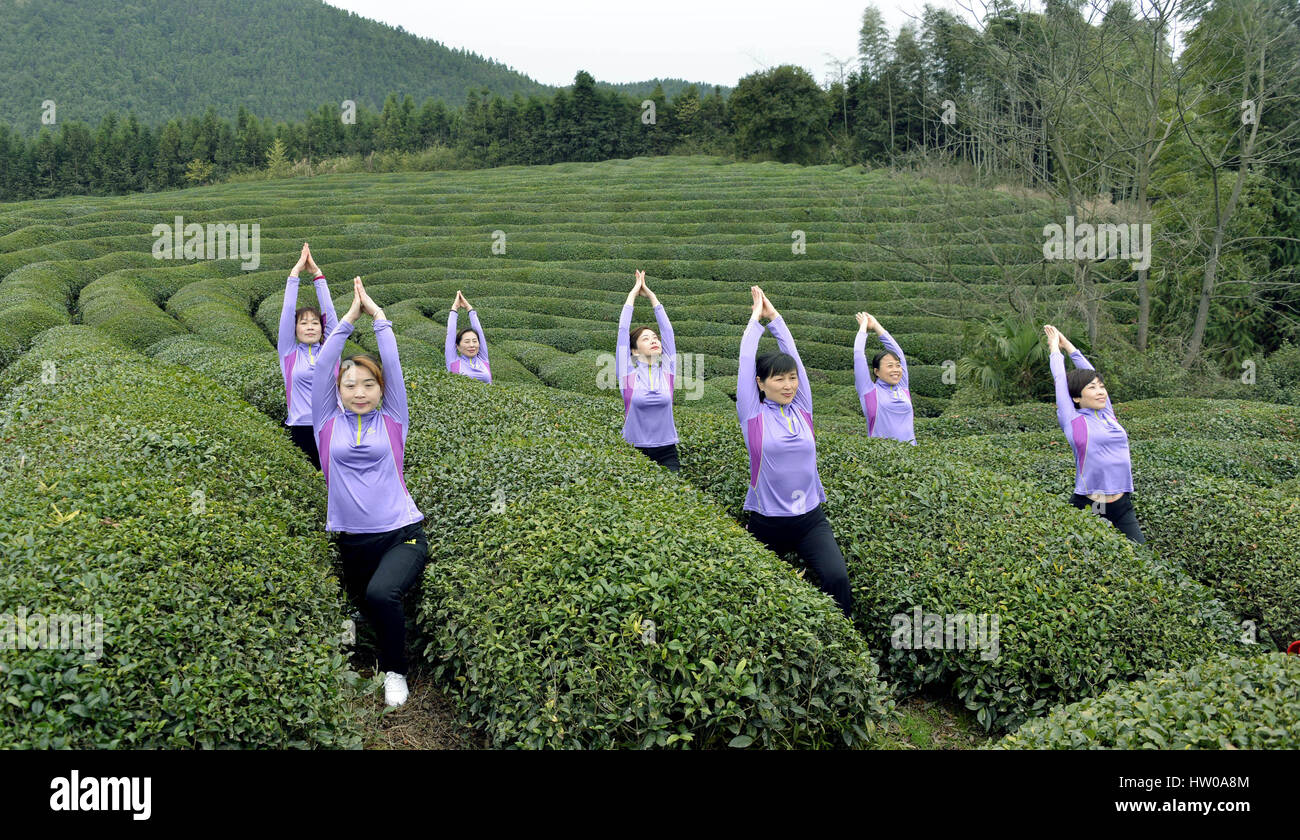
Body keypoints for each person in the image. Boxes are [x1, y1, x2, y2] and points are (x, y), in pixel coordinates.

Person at [313, 276, 428, 706]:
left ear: (381, 390)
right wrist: (345, 320)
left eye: (369, 385)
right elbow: (324, 366)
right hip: (352, 541)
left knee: (383, 594)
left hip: (402, 532)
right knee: (366, 607)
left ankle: (397, 672)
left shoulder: (393, 420)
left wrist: (379, 319)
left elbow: (393, 367)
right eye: (350, 386)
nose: (359, 393)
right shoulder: (326, 424)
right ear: (338, 393)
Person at [737, 286, 852, 618]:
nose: (788, 385)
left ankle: (846, 644)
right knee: (754, 592)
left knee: (837, 578)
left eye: (791, 379)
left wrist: (777, 319)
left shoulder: (802, 409)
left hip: (810, 520)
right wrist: (757, 322)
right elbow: (746, 361)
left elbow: (795, 356)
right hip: (767, 521)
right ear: (761, 383)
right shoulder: (753, 415)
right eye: (779, 379)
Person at [1044, 324, 1145, 544]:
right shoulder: (1073, 420)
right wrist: (1054, 349)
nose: (1100, 392)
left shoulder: (1107, 413)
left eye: (1101, 387)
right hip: (1091, 503)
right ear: (1076, 398)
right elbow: (1061, 381)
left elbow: (1089, 371)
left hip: (1121, 503)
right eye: (1092, 388)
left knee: (1142, 554)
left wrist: (1068, 345)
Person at [278, 242, 338, 470]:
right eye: (304, 323)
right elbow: (286, 314)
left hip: (332, 426)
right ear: (295, 329)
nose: (310, 327)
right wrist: (294, 275)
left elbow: (330, 315)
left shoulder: (330, 352)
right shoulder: (289, 354)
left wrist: (317, 275)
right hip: (301, 428)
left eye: (315, 323)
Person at [616, 269, 680, 472]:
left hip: (667, 450)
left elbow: (668, 332)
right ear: (633, 350)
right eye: (645, 338)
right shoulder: (628, 375)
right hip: (633, 450)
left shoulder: (667, 371)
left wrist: (652, 297)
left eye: (654, 337)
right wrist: (632, 294)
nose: (653, 340)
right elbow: (622, 332)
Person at [853, 311, 916, 445]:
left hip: (912, 457)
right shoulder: (869, 392)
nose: (896, 370)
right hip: (883, 458)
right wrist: (863, 328)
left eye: (897, 366)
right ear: (877, 371)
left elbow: (899, 353)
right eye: (889, 366)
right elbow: (858, 356)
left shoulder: (902, 387)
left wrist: (876, 326)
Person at [445, 290, 492, 383]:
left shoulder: (483, 359)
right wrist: (454, 308)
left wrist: (469, 308)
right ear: (457, 346)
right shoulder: (454, 362)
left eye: (474, 341)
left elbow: (480, 333)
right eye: (467, 342)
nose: (472, 345)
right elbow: (450, 334)